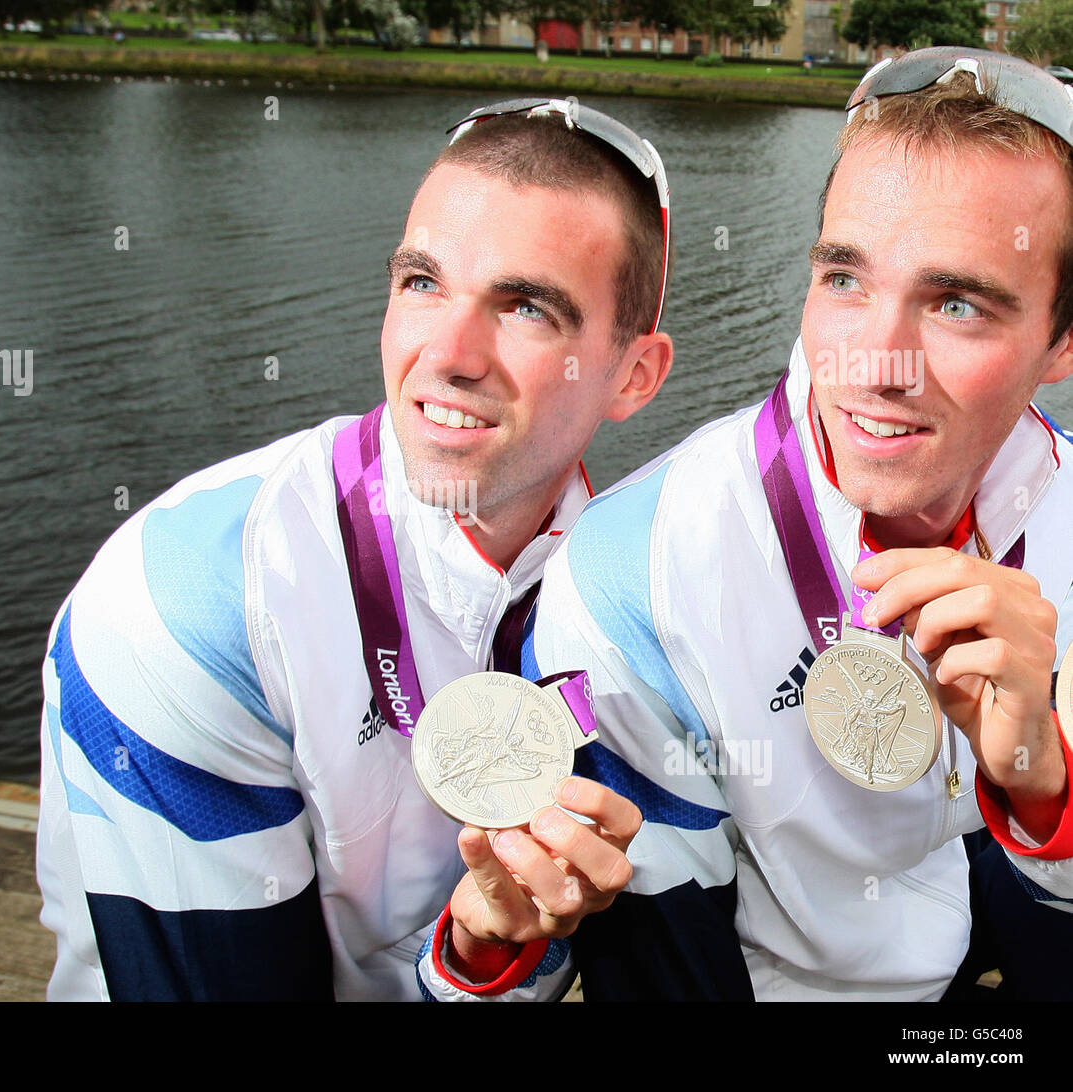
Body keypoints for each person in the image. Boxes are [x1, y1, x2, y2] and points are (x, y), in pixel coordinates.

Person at [433, 49, 1073, 1002]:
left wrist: (1042, 790)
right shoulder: (630, 579)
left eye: (955, 303)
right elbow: (657, 962)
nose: (871, 366)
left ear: (1062, 343)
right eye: (846, 280)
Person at [34, 98, 672, 1000]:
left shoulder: (635, 601)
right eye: (422, 283)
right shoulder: (184, 605)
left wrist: (479, 958)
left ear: (632, 375)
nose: (446, 353)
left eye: (525, 306)